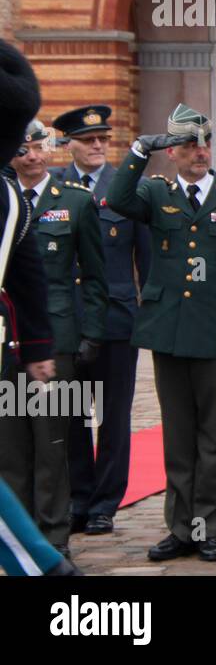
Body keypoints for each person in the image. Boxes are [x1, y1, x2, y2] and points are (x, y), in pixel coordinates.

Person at [106, 103, 216, 563]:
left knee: (214, 439)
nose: (199, 152)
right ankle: (179, 528)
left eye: (204, 143)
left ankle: (206, 527)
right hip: (170, 334)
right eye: (187, 144)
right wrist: (140, 150)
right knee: (178, 438)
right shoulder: (155, 193)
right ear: (171, 151)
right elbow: (117, 199)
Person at [0, 118, 107, 558]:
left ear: (50, 149)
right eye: (22, 148)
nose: (30, 155)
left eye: (37, 147)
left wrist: (91, 337)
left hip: (56, 337)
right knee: (10, 447)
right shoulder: (5, 202)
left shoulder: (76, 203)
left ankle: (53, 535)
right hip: (7, 340)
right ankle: (20, 534)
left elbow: (96, 278)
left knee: (51, 443)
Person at [0, 39, 80, 575]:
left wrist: (38, 346)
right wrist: (36, 346)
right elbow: (27, 274)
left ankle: (44, 567)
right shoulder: (9, 195)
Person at [51, 104, 150, 537]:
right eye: (87, 140)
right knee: (71, 414)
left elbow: (145, 260)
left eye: (102, 140)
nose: (96, 146)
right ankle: (78, 497)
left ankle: (106, 503)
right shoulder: (53, 188)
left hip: (116, 319)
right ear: (68, 144)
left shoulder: (127, 188)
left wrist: (150, 318)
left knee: (113, 417)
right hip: (68, 321)